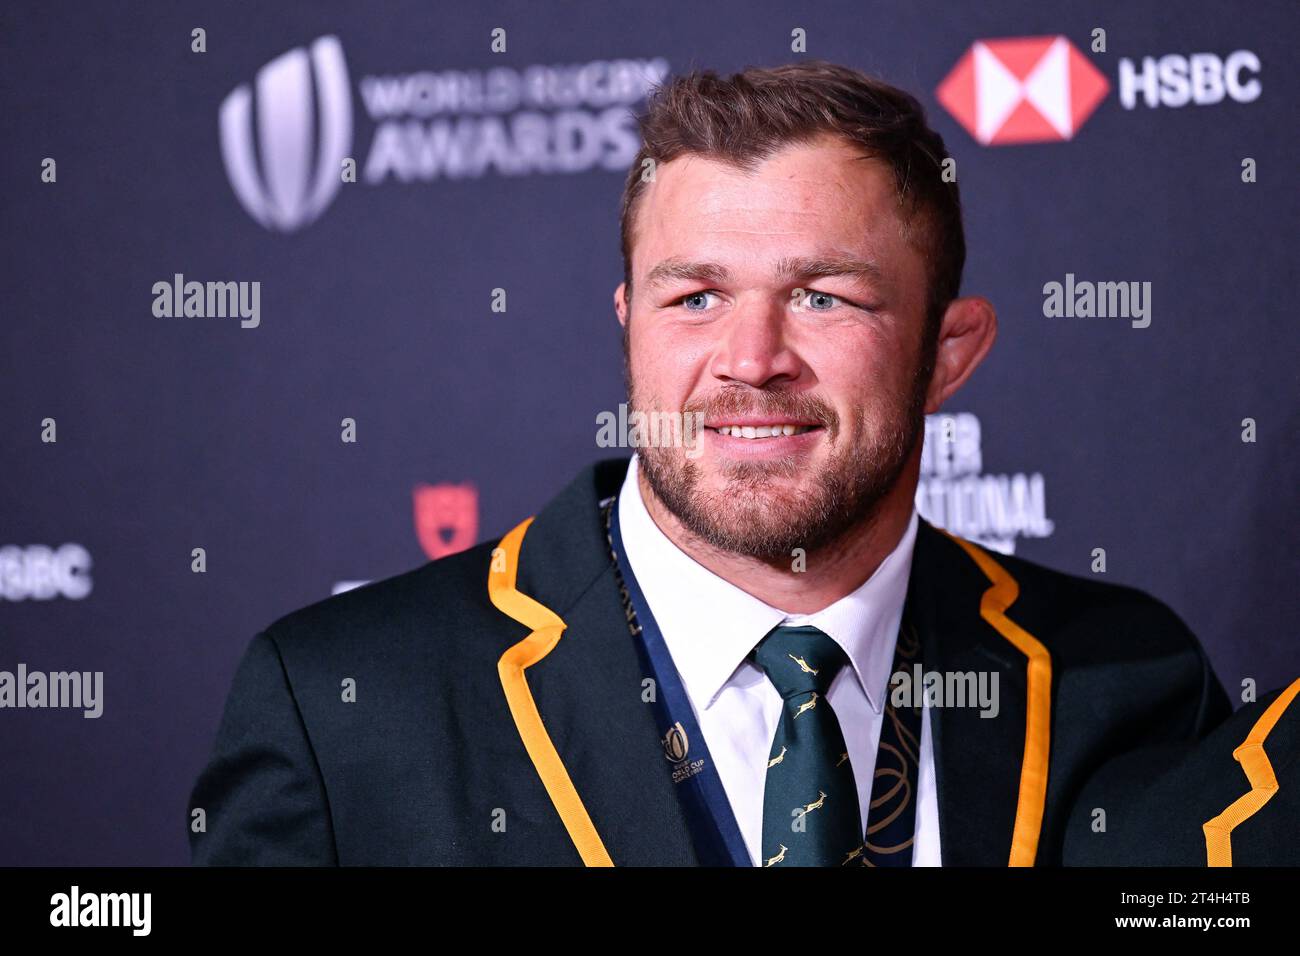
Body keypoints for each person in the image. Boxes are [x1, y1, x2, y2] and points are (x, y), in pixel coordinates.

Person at [189, 61, 1290, 867]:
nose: (751, 360)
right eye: (695, 297)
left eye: (824, 295)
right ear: (627, 325)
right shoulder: (343, 711)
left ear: (947, 351)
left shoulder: (1125, 679)